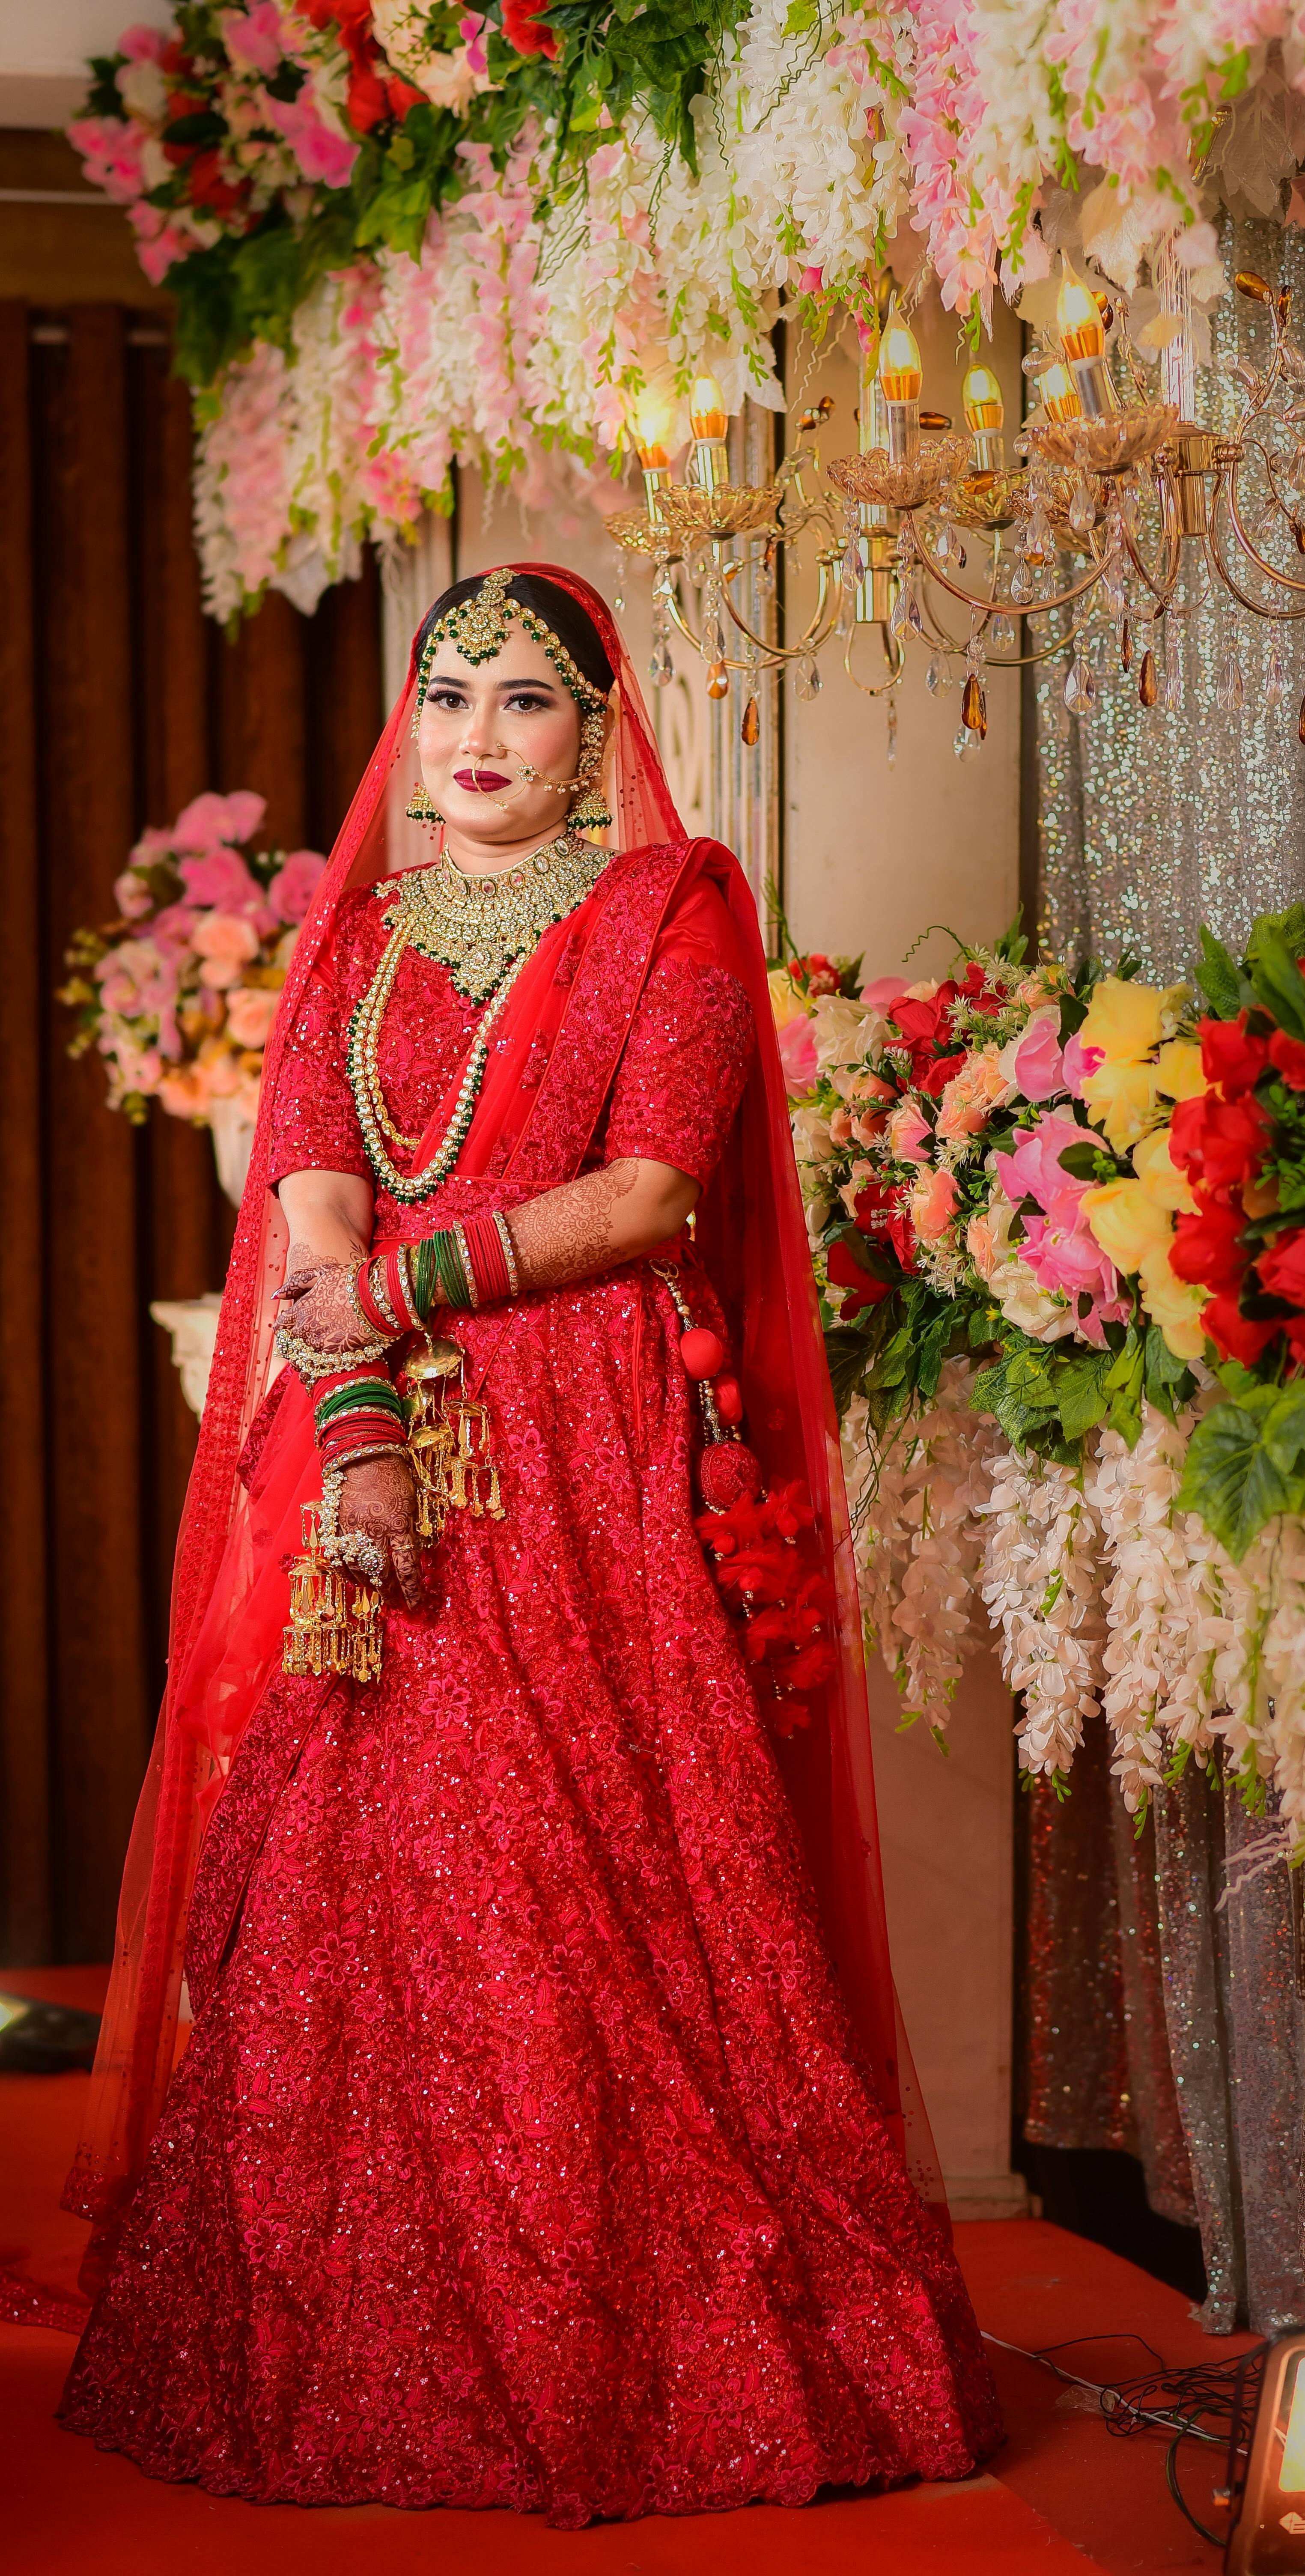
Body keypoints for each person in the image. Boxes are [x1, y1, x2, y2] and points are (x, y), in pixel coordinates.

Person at [57, 566, 1002, 2524]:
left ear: (597, 731)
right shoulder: (362, 931)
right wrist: (364, 1431)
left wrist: (405, 1285)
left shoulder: (669, 908)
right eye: (452, 693)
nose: (481, 733)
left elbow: (654, 1192)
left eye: (529, 701)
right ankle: (379, 2335)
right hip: (393, 1431)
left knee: (608, 1842)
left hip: (586, 1442)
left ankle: (667, 2351)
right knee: (369, 1845)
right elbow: (310, 1200)